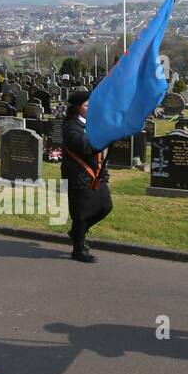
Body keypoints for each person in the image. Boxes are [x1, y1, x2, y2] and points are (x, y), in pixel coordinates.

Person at [60, 89, 112, 263]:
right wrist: (106, 137)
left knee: (105, 207)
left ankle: (77, 233)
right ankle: (78, 249)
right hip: (78, 177)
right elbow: (87, 149)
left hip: (96, 176)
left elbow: (99, 154)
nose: (91, 108)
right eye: (87, 105)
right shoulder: (71, 127)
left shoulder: (91, 123)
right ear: (77, 108)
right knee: (81, 214)